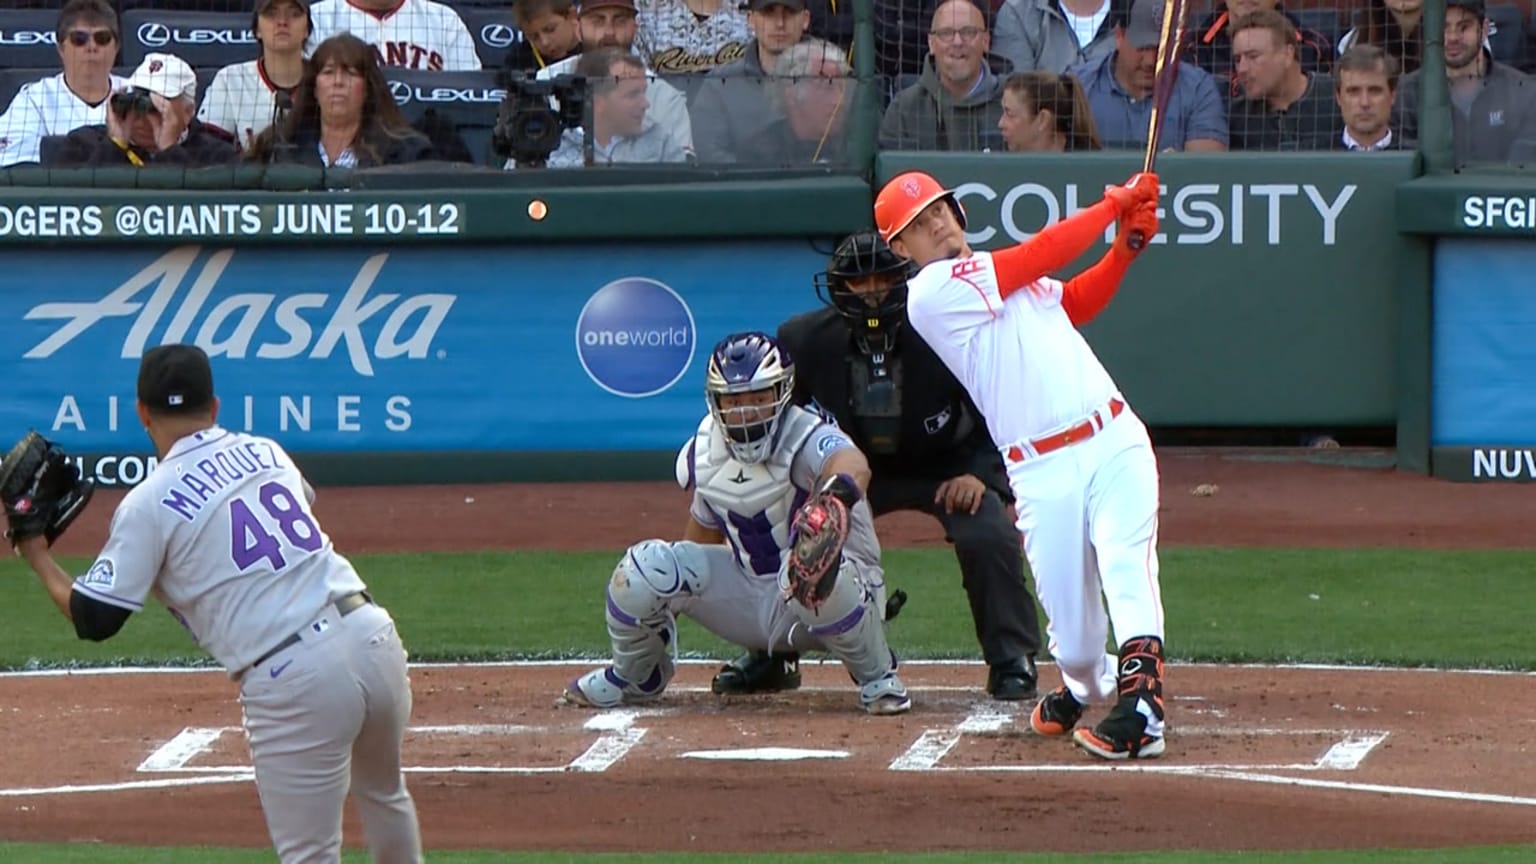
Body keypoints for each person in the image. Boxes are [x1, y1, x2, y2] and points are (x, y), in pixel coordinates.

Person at [4, 344, 422, 862]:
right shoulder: (267, 452)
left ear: (142, 412)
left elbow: (95, 617)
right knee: (385, 796)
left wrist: (35, 552)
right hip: (372, 637)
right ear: (215, 406)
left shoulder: (149, 502)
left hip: (294, 677)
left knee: (310, 854)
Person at [871, 169, 1167, 760]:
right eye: (919, 223)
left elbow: (1075, 302)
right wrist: (1113, 205)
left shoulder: (998, 273)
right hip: (1040, 470)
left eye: (939, 210)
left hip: (1113, 437)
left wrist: (1124, 251)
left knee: (1124, 562)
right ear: (900, 248)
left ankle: (1143, 708)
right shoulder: (931, 294)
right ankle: (1084, 686)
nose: (937, 224)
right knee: (1077, 648)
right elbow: (1041, 253)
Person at [561, 331, 912, 716]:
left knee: (808, 564)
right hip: (751, 597)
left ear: (781, 393)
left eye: (758, 398)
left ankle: (877, 675)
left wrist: (831, 503)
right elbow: (697, 546)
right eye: (734, 400)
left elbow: (853, 464)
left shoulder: (808, 434)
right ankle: (636, 676)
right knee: (646, 568)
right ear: (716, 402)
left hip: (832, 596)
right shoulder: (705, 451)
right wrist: (657, 604)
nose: (745, 411)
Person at [771, 230, 1046, 702]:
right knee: (784, 522)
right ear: (837, 288)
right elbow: (785, 426)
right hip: (853, 468)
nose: (872, 292)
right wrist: (812, 485)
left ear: (903, 279)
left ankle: (1011, 658)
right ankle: (771, 653)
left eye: (882, 278)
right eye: (859, 282)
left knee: (987, 530)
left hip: (946, 464)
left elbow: (998, 404)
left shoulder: (945, 329)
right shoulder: (805, 339)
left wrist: (980, 474)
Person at [247, 33, 435, 168]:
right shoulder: (279, 146)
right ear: (314, 88)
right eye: (328, 72)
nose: (338, 82)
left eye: (350, 73)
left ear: (367, 89)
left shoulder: (403, 152)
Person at [49, 52, 240, 168]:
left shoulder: (218, 156)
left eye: (155, 109)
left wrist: (169, 150)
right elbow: (78, 205)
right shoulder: (82, 144)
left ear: (188, 112)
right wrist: (115, 146)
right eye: (137, 102)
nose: (142, 118)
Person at [0, 0, 128, 168]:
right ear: (61, 48)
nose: (91, 47)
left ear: (116, 47)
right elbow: (15, 166)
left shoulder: (133, 93)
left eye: (102, 39)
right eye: (79, 39)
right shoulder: (35, 99)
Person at [520, 47, 689, 167]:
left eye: (643, 92)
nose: (646, 104)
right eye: (633, 95)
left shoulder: (661, 143)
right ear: (598, 101)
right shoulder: (546, 144)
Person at [198, 0, 312, 151]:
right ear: (257, 29)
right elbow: (207, 151)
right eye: (271, 14)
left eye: (294, 14)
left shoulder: (325, 79)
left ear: (307, 30)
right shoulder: (230, 79)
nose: (282, 21)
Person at [997, 70, 1102, 151]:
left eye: (1009, 114)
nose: (1000, 124)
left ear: (1042, 119)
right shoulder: (1000, 160)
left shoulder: (1089, 166)